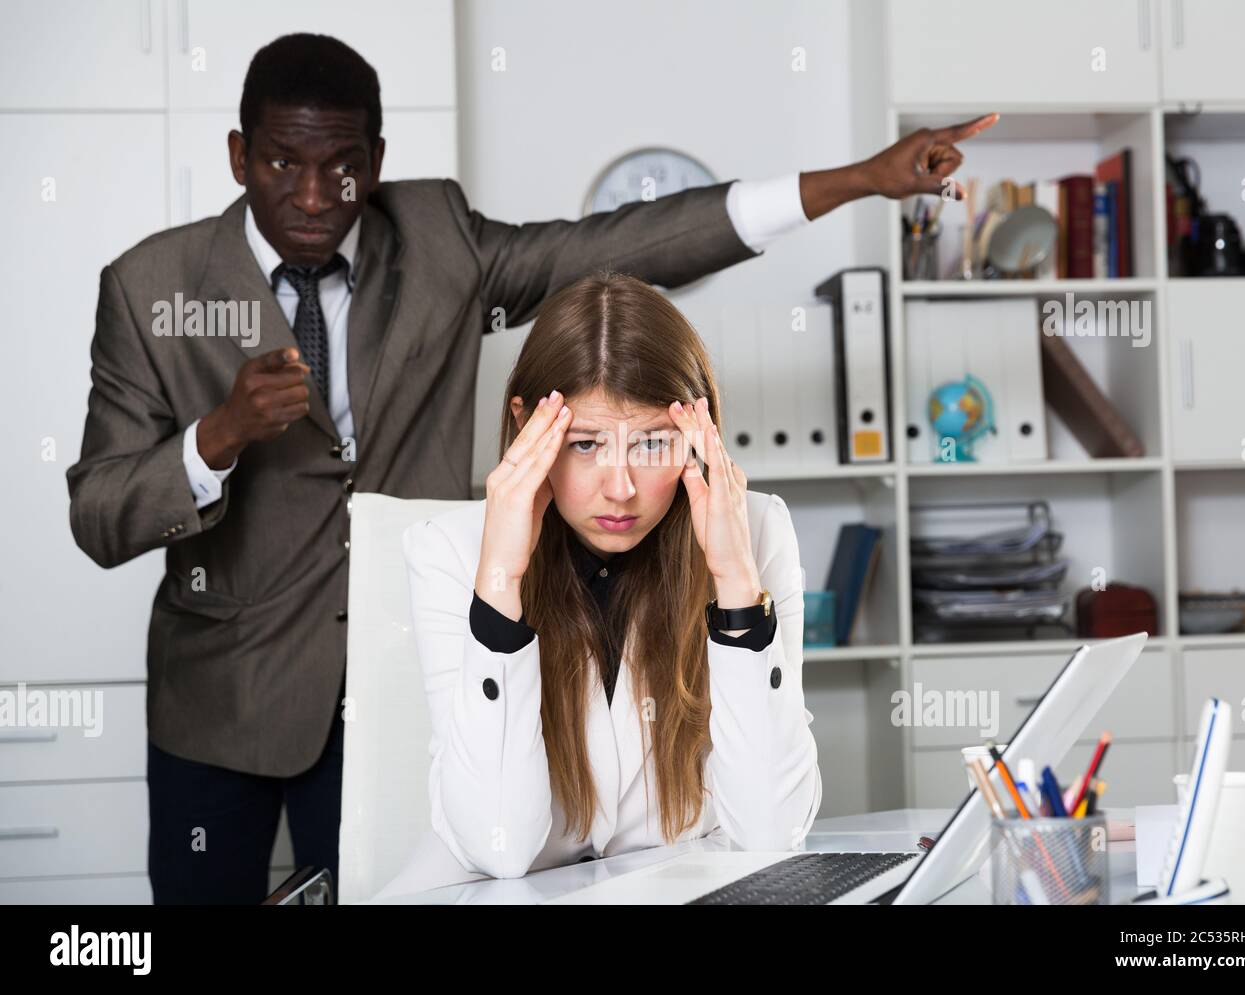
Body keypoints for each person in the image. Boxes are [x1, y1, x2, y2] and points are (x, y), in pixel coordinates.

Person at [65, 28, 994, 903]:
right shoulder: (151, 287)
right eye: (282, 164)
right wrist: (216, 436)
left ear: (375, 163)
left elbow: (628, 246)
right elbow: (100, 514)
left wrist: (860, 179)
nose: (315, 196)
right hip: (231, 690)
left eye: (344, 169)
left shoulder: (434, 237)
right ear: (238, 155)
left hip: (419, 674)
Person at [403, 272, 819, 879]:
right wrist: (500, 582)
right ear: (525, 426)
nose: (620, 489)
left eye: (653, 444)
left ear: (699, 434)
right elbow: (499, 849)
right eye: (584, 444)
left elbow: (771, 830)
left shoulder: (756, 530)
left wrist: (734, 582)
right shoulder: (451, 550)